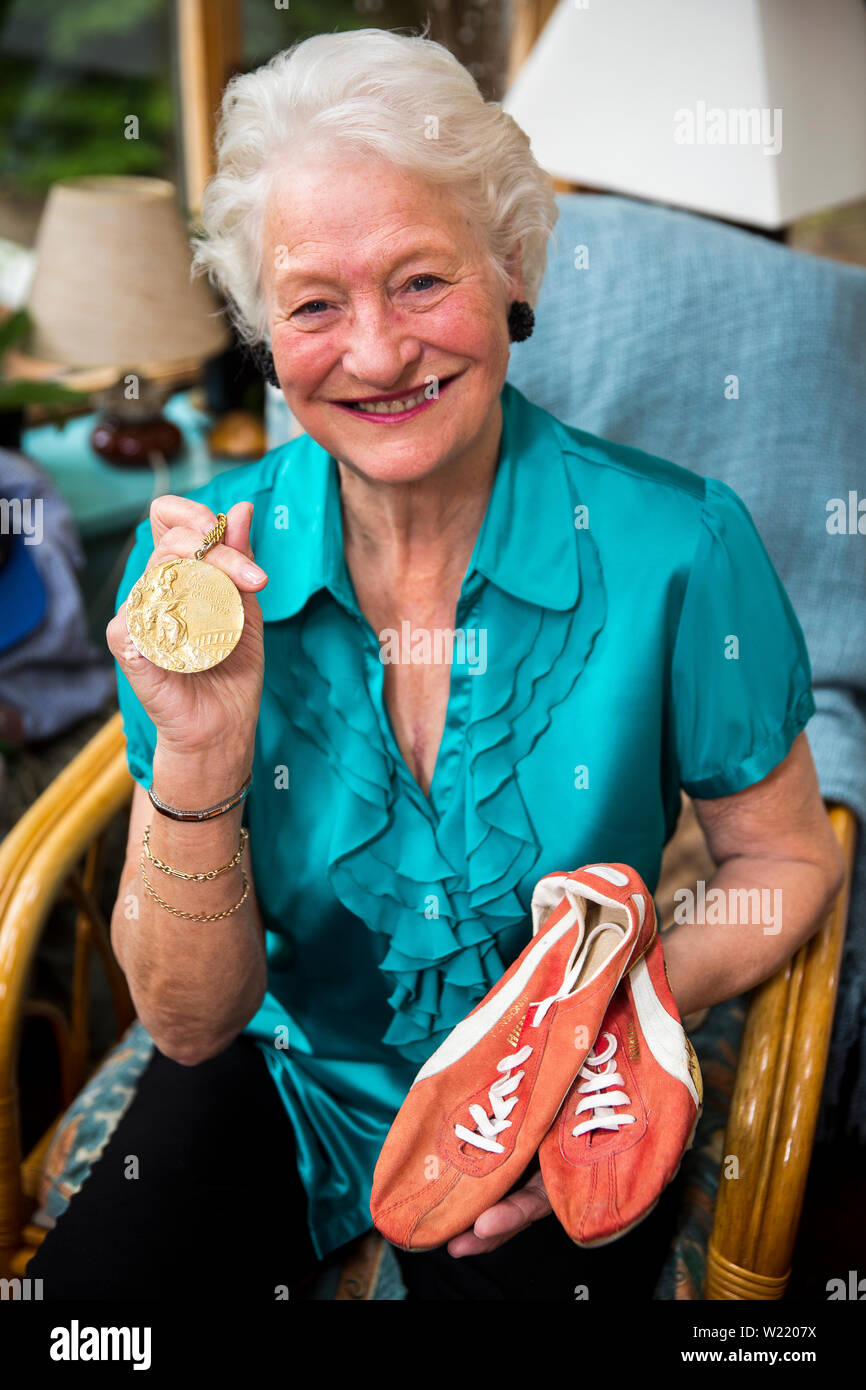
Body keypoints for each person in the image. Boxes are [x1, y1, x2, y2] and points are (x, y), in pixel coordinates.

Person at [28, 27, 844, 1301]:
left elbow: (784, 859)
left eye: (418, 281)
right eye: (313, 304)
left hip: (552, 1090)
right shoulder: (202, 571)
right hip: (293, 1069)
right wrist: (199, 752)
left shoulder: (679, 544)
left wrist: (598, 1027)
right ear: (262, 332)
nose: (374, 352)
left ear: (511, 266)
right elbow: (188, 1026)